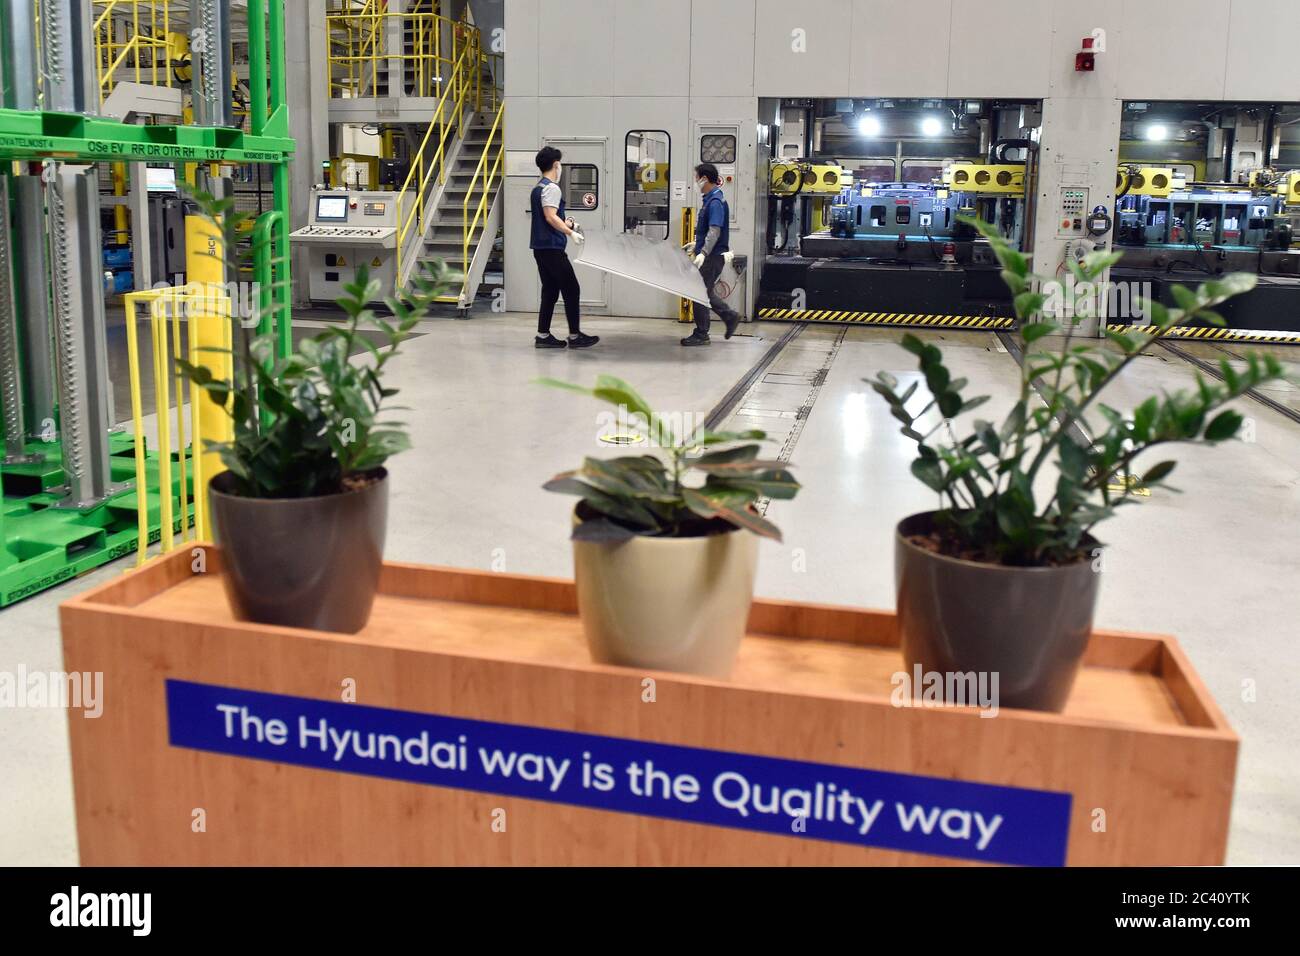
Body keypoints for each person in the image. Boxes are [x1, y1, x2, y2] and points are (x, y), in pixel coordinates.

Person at [530, 146, 599, 349]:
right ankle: (576, 337)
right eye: (560, 164)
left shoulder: (538, 187)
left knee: (550, 290)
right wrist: (570, 233)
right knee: (571, 288)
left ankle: (543, 336)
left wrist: (567, 223)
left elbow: (551, 217)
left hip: (540, 247)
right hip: (552, 248)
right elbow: (550, 217)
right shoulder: (552, 188)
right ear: (556, 165)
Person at [682, 162, 741, 347]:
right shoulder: (711, 199)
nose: (695, 181)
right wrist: (696, 244)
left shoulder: (715, 201)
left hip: (712, 256)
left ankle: (703, 333)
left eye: (696, 177)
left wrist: (704, 252)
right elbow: (707, 230)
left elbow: (714, 230)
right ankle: (728, 317)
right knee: (702, 292)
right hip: (710, 254)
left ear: (704, 178)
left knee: (698, 292)